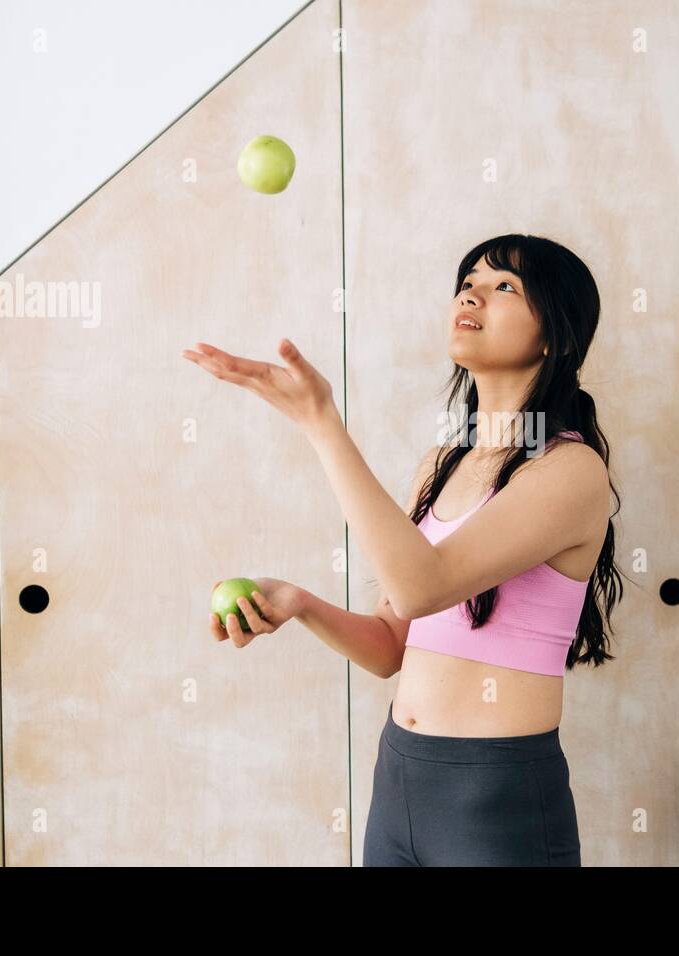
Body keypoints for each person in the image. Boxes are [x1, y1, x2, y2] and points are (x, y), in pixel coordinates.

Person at [182, 233, 627, 866]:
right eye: (468, 280)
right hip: (398, 782)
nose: (472, 292)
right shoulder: (439, 468)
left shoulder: (571, 470)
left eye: (504, 286)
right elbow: (394, 642)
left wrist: (320, 425)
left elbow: (426, 583)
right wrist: (301, 603)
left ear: (555, 335)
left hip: (496, 798)